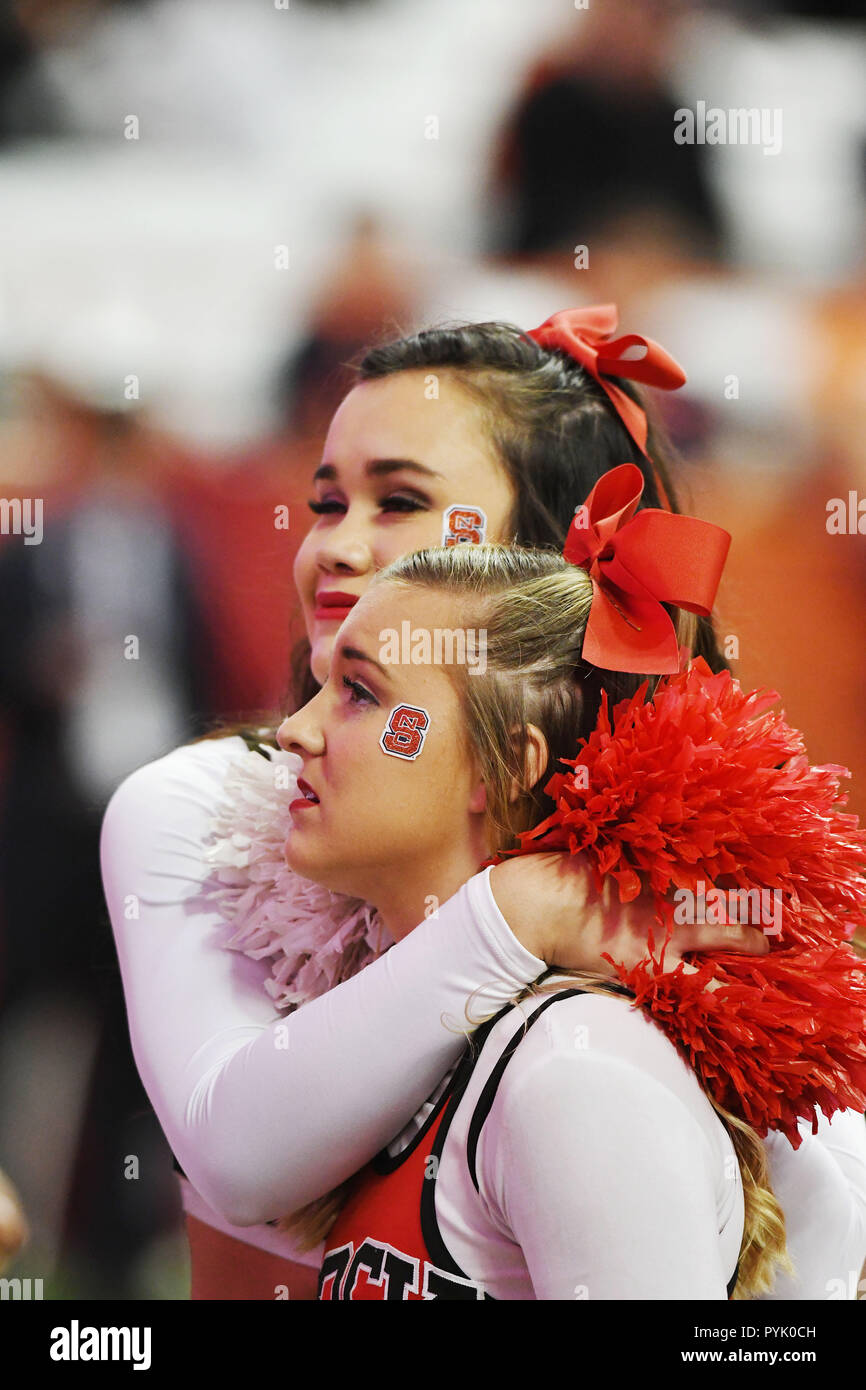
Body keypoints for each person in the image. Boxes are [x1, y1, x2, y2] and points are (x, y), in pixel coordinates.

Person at [101, 306, 866, 1298]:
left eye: (401, 502)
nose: (336, 545)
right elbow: (237, 1155)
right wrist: (522, 914)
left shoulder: (688, 848)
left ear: (546, 559)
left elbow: (817, 1215)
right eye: (326, 504)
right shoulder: (211, 801)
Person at [275, 531, 859, 1299]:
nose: (295, 729)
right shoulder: (422, 1040)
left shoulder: (577, 1069)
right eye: (320, 688)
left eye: (361, 693)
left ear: (504, 765)